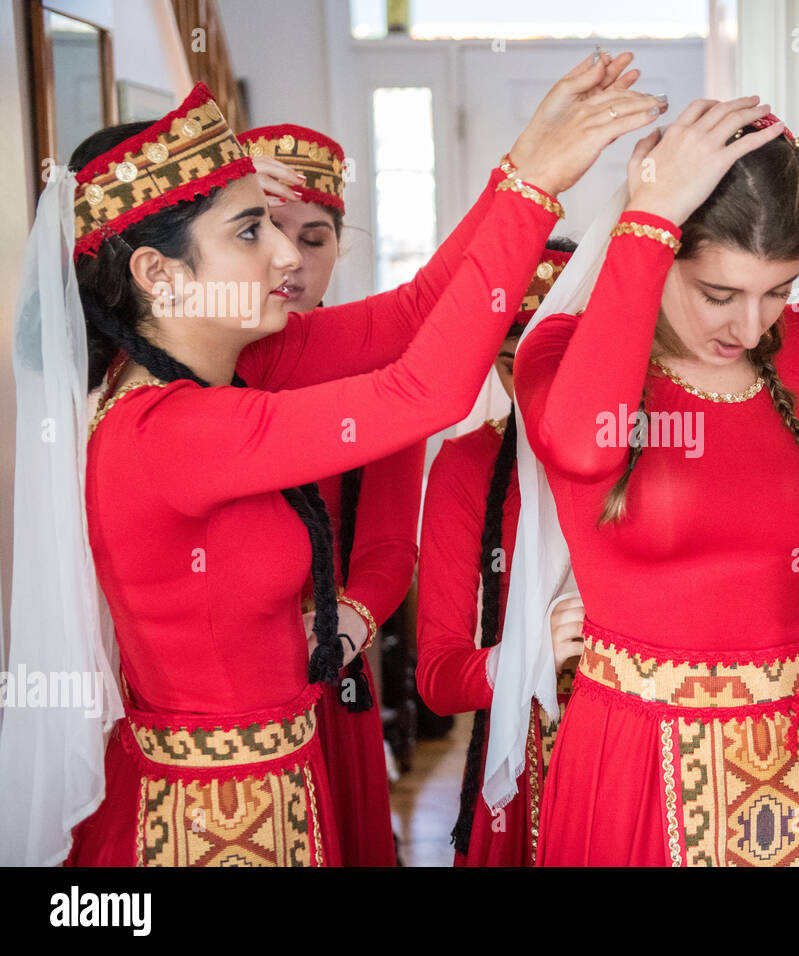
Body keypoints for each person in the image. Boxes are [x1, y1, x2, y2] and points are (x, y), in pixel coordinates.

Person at [1, 52, 666, 866]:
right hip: (206, 827)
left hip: (279, 783)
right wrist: (538, 191)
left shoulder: (236, 366)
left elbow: (420, 312)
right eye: (252, 231)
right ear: (157, 274)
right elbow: (427, 392)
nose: (287, 257)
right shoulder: (170, 432)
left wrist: (529, 163)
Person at [510, 97, 799, 866]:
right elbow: (587, 451)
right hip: (632, 757)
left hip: (797, 751)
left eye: (780, 290)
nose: (751, 327)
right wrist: (650, 210)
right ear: (654, 248)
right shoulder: (559, 354)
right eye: (718, 295)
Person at [233, 122, 424, 866]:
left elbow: (385, 543)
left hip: (322, 660)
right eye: (264, 231)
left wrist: (345, 624)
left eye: (315, 237)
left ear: (342, 248)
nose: (291, 259)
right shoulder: (179, 356)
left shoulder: (378, 363)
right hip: (205, 668)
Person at [417, 239, 583, 866]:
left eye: (566, 361)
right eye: (514, 363)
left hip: (644, 745)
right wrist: (529, 657)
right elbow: (436, 676)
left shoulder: (663, 451)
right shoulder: (468, 464)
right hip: (522, 764)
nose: (538, 388)